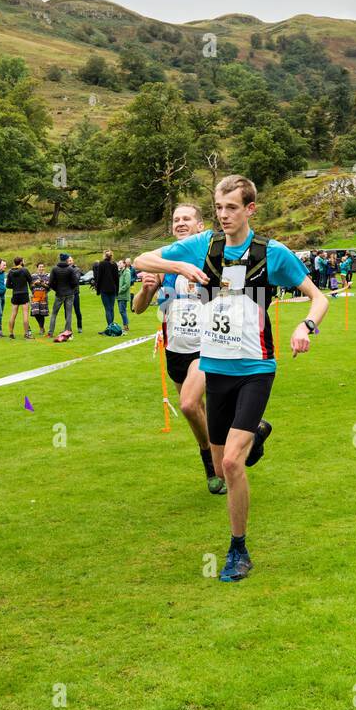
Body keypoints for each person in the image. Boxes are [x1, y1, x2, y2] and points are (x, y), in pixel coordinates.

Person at [136, 173, 328, 582]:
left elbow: (319, 297)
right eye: (219, 207)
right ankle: (256, 433)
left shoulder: (271, 253)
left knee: (230, 463)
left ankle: (238, 549)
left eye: (232, 208)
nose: (223, 215)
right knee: (224, 469)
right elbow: (141, 260)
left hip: (256, 368)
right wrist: (178, 265)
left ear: (250, 209)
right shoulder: (203, 246)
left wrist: (304, 327)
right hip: (214, 368)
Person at [133, 202, 225, 496]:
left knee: (188, 404)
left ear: (200, 226)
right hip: (175, 350)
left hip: (208, 346)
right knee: (196, 410)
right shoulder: (165, 262)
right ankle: (240, 438)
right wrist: (147, 289)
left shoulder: (210, 255)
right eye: (176, 219)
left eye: (187, 219)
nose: (181, 223)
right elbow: (138, 309)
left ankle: (215, 464)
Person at [48, 252, 79, 337]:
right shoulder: (70, 269)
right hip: (69, 294)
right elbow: (75, 282)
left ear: (60, 259)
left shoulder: (54, 269)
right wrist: (71, 288)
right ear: (66, 260)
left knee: (54, 313)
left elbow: (50, 283)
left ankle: (50, 332)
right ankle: (67, 331)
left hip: (59, 294)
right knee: (69, 313)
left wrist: (56, 289)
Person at [6, 256, 35, 340]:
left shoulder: (10, 272)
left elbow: (8, 285)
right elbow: (31, 281)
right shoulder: (24, 270)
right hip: (24, 294)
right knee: (25, 314)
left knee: (13, 314)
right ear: (21, 262)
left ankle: (11, 334)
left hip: (15, 294)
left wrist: (15, 286)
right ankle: (26, 334)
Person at [93, 249, 120, 332]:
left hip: (104, 289)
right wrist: (117, 290)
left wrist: (97, 290)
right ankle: (112, 327)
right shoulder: (114, 264)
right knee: (111, 308)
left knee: (107, 309)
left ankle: (110, 328)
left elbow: (99, 278)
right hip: (112, 289)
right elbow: (117, 279)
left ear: (104, 255)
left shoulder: (101, 264)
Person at [31, 261, 50, 335]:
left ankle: (41, 328)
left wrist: (42, 284)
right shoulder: (33, 276)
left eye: (42, 267)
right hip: (35, 296)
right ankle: (41, 326)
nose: (41, 268)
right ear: (37, 268)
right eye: (40, 267)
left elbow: (49, 287)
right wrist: (34, 283)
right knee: (35, 312)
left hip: (43, 296)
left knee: (42, 313)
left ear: (44, 268)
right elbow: (30, 286)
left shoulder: (47, 276)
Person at [117, 260, 132, 331]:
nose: (118, 264)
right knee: (122, 311)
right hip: (119, 295)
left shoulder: (127, 272)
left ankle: (126, 326)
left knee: (122, 311)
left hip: (123, 295)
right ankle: (125, 325)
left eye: (120, 263)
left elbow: (127, 284)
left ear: (124, 264)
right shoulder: (120, 272)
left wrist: (120, 290)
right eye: (118, 263)